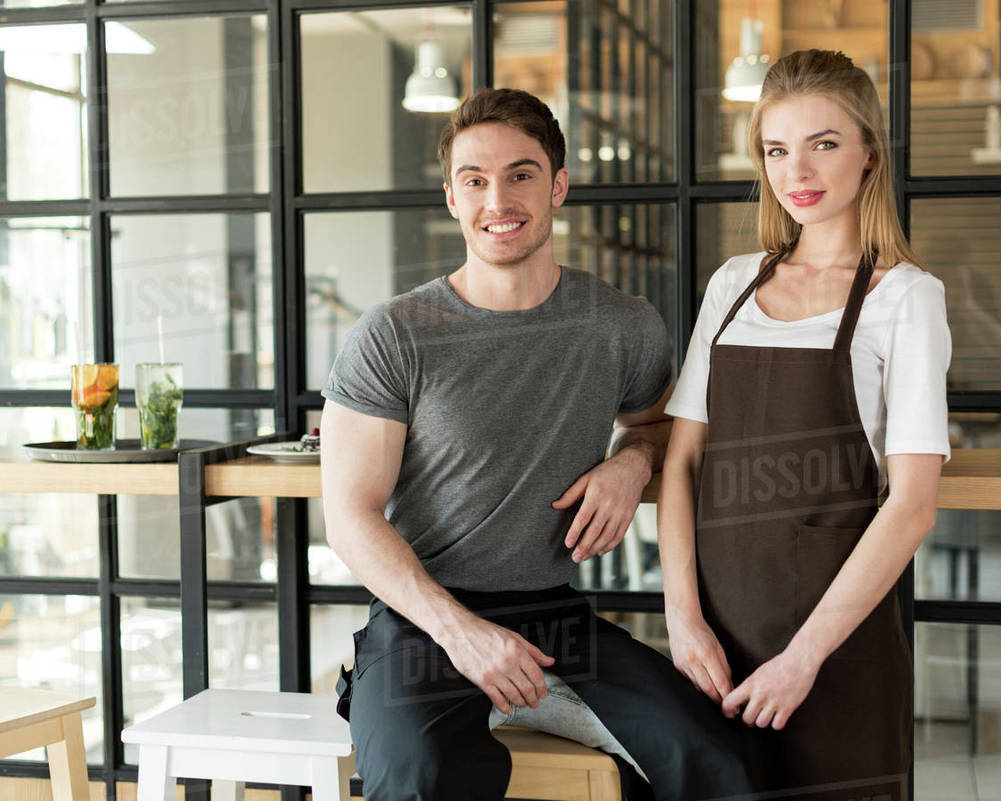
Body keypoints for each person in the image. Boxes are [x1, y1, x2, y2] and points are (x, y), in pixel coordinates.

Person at [321, 88, 751, 801]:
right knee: (421, 778)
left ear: (557, 186)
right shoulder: (395, 333)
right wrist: (461, 632)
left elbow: (660, 427)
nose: (499, 198)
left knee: (712, 756)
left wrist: (630, 461)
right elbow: (350, 517)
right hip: (424, 620)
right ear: (453, 198)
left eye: (521, 174)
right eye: (475, 180)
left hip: (555, 617)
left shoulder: (621, 324)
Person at [659, 49, 951, 799]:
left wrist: (803, 658)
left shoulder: (906, 298)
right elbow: (682, 464)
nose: (799, 170)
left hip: (835, 648)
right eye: (777, 149)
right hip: (715, 640)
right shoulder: (733, 282)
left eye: (823, 143)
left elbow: (913, 503)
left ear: (869, 154)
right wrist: (683, 619)